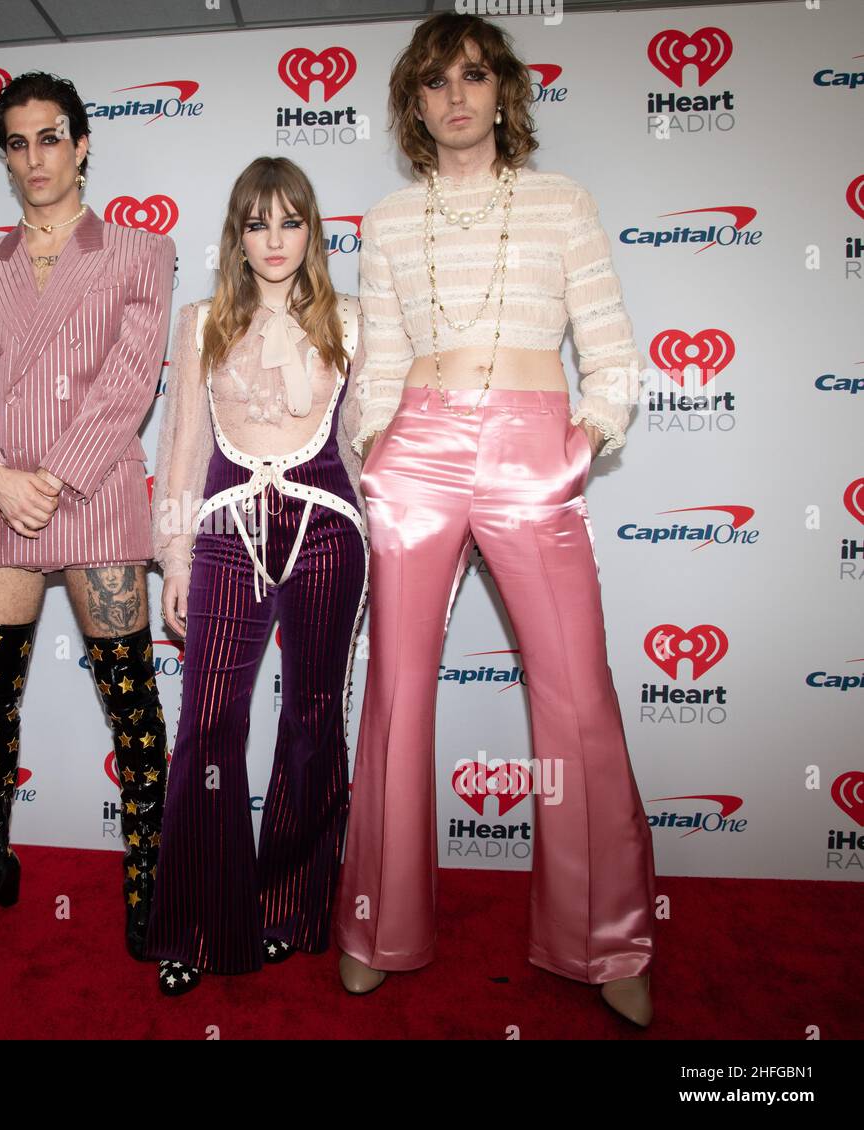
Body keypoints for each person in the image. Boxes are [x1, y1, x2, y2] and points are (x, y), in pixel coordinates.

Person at [333, 13, 657, 1027]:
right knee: (394, 694)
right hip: (417, 451)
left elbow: (609, 350)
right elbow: (378, 364)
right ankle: (380, 922)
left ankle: (605, 938)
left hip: (531, 450)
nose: (455, 96)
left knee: (576, 700)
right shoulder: (385, 219)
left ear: (504, 90)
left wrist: (580, 436)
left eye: (472, 75)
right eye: (434, 83)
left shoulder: (562, 203)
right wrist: (373, 455)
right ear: (413, 104)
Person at [0, 72, 176, 958]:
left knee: (132, 700)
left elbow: (130, 380)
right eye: (17, 141)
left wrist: (56, 478)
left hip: (99, 495)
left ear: (81, 145)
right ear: (4, 155)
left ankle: (150, 872)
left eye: (51, 136)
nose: (35, 156)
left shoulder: (141, 253)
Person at [146, 157, 369, 996]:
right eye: (255, 223)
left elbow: (365, 442)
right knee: (206, 727)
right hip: (225, 532)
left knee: (314, 718)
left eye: (290, 221)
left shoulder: (353, 319)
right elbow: (179, 454)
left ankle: (290, 905)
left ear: (311, 230)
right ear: (236, 236)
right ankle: (198, 923)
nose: (274, 240)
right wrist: (172, 558)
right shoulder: (200, 319)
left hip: (328, 531)